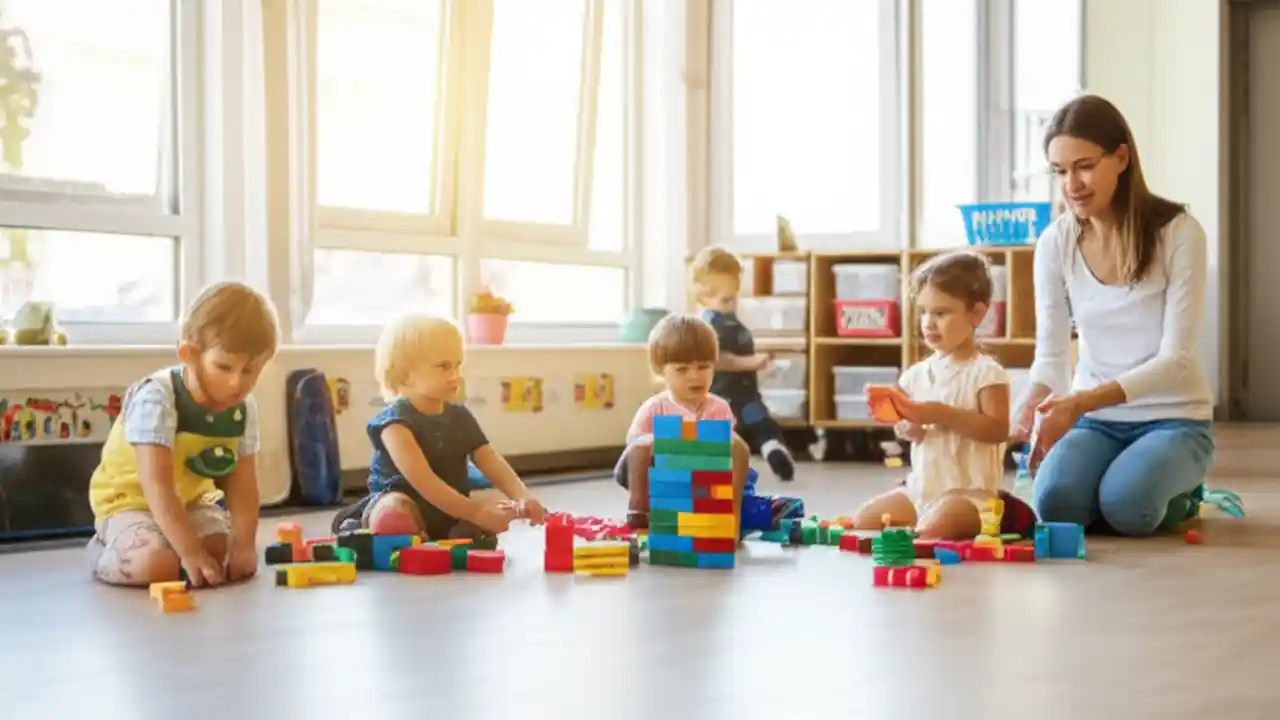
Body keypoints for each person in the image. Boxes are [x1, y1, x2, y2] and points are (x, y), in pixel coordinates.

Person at [1013, 94, 1215, 536]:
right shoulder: (1055, 242)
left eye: (1084, 166)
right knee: (1057, 505)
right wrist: (1030, 407)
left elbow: (1175, 359)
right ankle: (1121, 481)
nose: (1072, 184)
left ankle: (1183, 489)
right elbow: (1050, 352)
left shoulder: (1179, 233)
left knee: (1128, 508)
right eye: (1060, 171)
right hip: (1098, 422)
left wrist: (1080, 401)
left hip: (1173, 417)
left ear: (1120, 157)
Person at [86, 281, 279, 587]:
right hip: (130, 502)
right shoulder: (157, 398)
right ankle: (102, 549)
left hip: (191, 501)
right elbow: (156, 485)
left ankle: (173, 546)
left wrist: (244, 546)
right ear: (190, 355)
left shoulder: (243, 406)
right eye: (224, 367)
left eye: (250, 370)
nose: (236, 384)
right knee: (156, 566)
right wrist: (189, 553)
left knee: (219, 553)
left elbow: (243, 483)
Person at [852, 251, 1036, 539]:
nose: (928, 322)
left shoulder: (987, 373)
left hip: (971, 497)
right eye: (923, 311)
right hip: (922, 490)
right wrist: (909, 428)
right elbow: (918, 433)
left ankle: (1004, 516)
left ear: (976, 313)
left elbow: (998, 430)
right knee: (864, 520)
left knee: (932, 529)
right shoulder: (915, 376)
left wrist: (939, 413)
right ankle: (921, 526)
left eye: (941, 313)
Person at [331, 315, 546, 545]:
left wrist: (522, 496)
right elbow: (423, 481)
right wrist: (476, 512)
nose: (455, 375)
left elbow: (490, 460)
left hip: (448, 510)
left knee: (481, 530)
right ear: (406, 374)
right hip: (405, 502)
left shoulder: (460, 417)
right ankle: (376, 529)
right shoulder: (394, 424)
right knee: (394, 509)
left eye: (457, 365)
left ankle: (435, 534)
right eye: (444, 366)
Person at [614, 313, 750, 530]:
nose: (695, 376)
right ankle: (639, 515)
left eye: (703, 367)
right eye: (682, 369)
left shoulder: (719, 407)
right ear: (661, 370)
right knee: (641, 447)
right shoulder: (655, 406)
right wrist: (670, 440)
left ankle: (731, 518)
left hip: (702, 479)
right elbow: (634, 447)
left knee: (737, 446)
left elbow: (727, 452)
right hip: (662, 478)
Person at [691, 245, 796, 481]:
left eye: (734, 294)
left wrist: (763, 362)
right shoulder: (706, 325)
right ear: (703, 295)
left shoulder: (736, 318)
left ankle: (773, 450)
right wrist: (750, 362)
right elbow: (716, 361)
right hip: (720, 396)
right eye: (724, 298)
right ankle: (714, 466)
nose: (731, 302)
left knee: (763, 423)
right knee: (723, 434)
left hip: (747, 393)